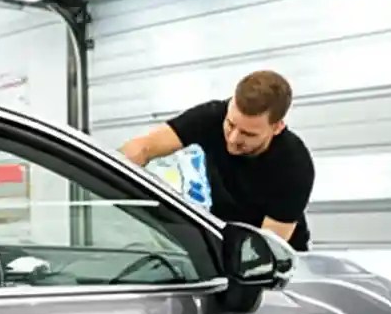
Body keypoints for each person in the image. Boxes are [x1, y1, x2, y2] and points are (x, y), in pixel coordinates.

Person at [119, 70, 315, 251]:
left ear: (277, 127)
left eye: (248, 134)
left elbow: (267, 248)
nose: (233, 139)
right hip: (223, 236)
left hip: (278, 256)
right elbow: (143, 148)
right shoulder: (211, 116)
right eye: (230, 124)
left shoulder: (294, 166)